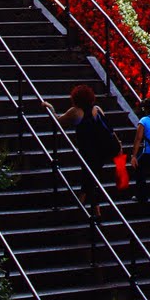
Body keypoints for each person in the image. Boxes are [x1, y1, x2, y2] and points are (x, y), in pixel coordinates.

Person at [42, 84, 119, 219]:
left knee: (90, 178)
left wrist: (50, 107)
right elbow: (109, 129)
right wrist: (118, 144)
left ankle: (96, 211)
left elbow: (58, 121)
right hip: (103, 150)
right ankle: (82, 201)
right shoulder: (97, 109)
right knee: (90, 176)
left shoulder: (76, 112)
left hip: (88, 150)